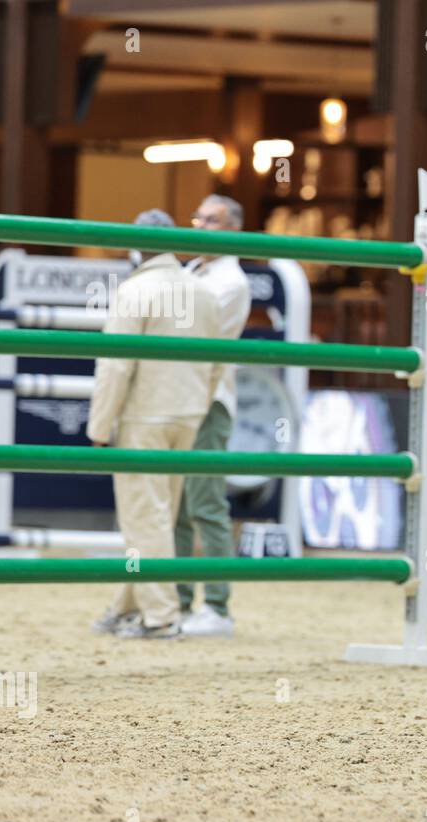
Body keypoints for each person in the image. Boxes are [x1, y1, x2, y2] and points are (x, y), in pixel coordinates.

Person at [88, 209, 222, 639]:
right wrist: (198, 404)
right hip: (187, 414)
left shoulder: (135, 289)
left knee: (145, 517)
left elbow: (115, 365)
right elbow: (219, 362)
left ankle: (161, 617)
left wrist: (99, 425)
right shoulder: (202, 291)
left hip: (145, 415)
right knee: (155, 514)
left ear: (139, 245)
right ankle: (126, 604)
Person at [173, 195, 252, 637]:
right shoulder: (192, 271)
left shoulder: (231, 281)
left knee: (205, 503)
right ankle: (182, 601)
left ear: (233, 229)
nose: (201, 225)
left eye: (213, 220)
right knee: (180, 506)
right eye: (198, 217)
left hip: (208, 400)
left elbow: (191, 331)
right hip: (180, 398)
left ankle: (218, 607)